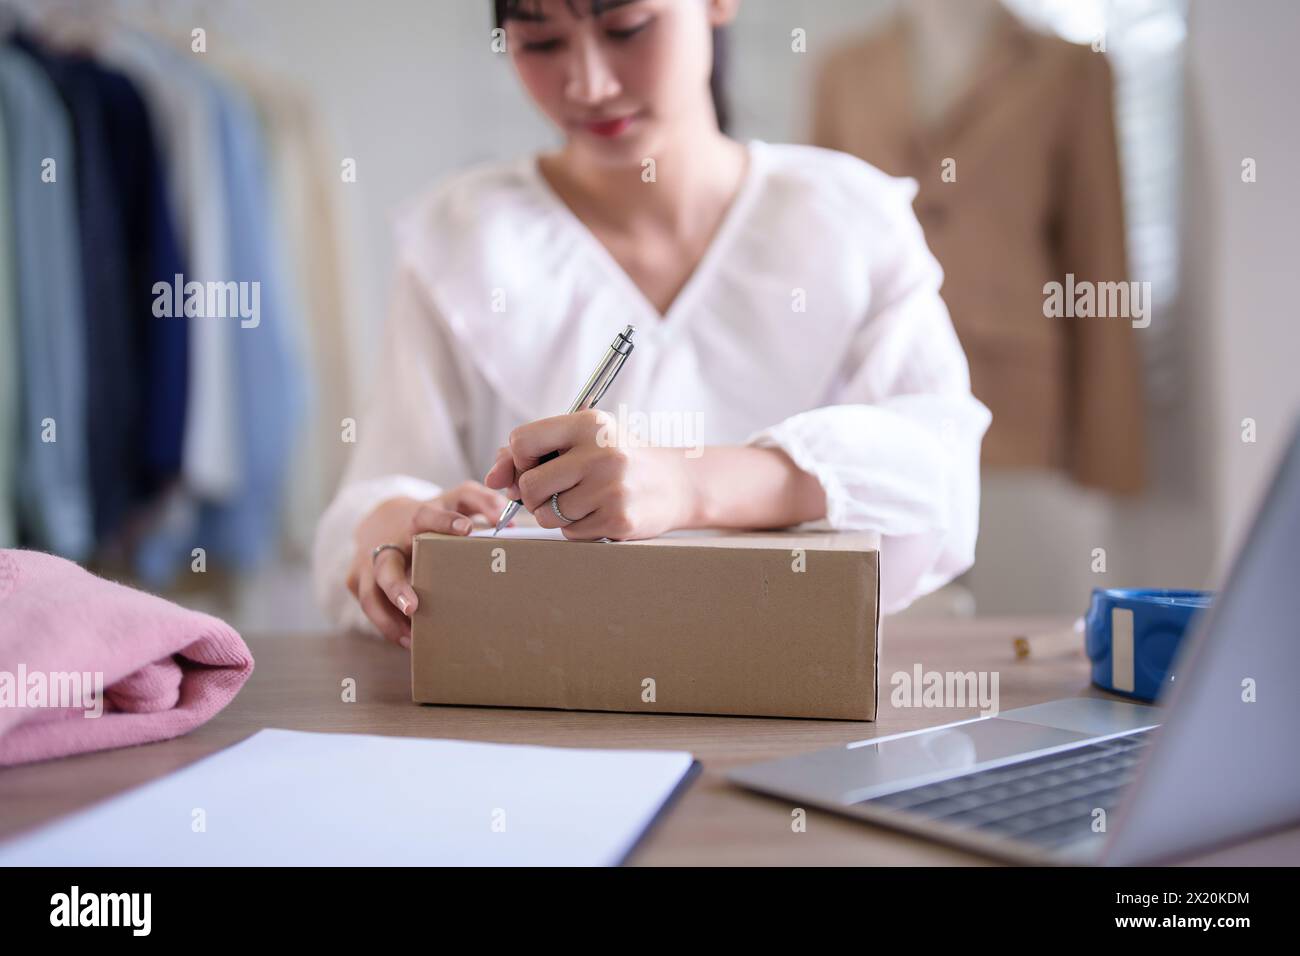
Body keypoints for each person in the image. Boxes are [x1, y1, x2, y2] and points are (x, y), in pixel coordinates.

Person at [313, 0, 992, 647]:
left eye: (627, 28)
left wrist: (690, 483)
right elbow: (381, 486)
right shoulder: (460, 238)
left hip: (801, 687)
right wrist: (397, 529)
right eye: (541, 42)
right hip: (539, 699)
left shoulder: (852, 218)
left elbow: (940, 478)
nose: (589, 83)